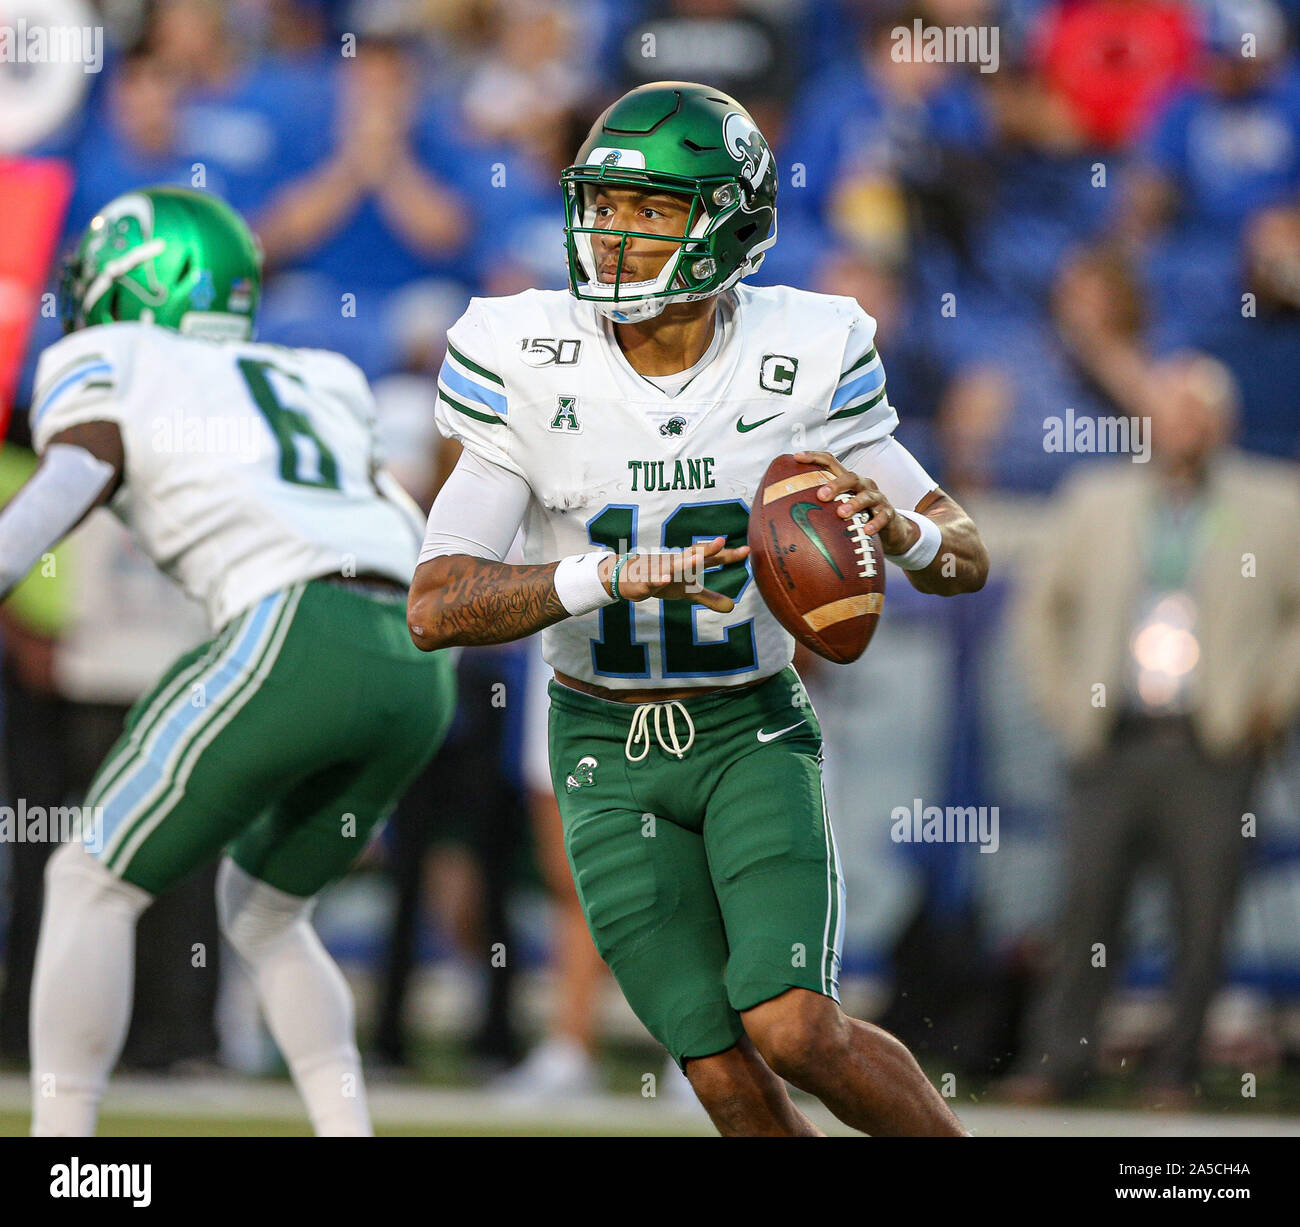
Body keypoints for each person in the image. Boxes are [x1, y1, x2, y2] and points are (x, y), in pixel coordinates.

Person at [408, 81, 989, 1137]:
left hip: (746, 724)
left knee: (796, 1030)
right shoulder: (524, 354)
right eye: (604, 205)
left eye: (655, 210)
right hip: (599, 742)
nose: (616, 235)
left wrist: (900, 534)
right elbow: (435, 604)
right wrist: (603, 577)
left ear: (731, 224)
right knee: (721, 1075)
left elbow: (964, 555)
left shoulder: (800, 353)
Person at [0, 186, 456, 1135]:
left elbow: (78, 470)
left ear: (142, 284)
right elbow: (406, 524)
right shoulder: (319, 371)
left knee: (87, 877)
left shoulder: (109, 354)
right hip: (415, 654)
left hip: (295, 623)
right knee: (264, 914)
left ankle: (61, 1151)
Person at [1002, 351, 1300, 1105]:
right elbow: (1041, 608)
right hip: (1116, 731)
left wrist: (1275, 695)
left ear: (1221, 423)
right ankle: (1058, 1061)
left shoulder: (1274, 501)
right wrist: (1065, 701)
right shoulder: (1096, 499)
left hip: (1213, 736)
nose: (1181, 426)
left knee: (1205, 913)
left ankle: (1176, 1069)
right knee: (1086, 906)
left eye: (1196, 411)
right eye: (1169, 410)